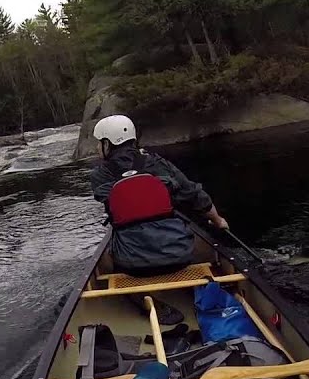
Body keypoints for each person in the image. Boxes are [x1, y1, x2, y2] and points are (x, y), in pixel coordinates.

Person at [89, 114, 228, 275]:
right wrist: (218, 220)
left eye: (99, 142)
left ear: (107, 144)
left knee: (107, 258)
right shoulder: (157, 163)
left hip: (130, 265)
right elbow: (194, 194)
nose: (97, 147)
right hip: (179, 256)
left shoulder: (99, 175)